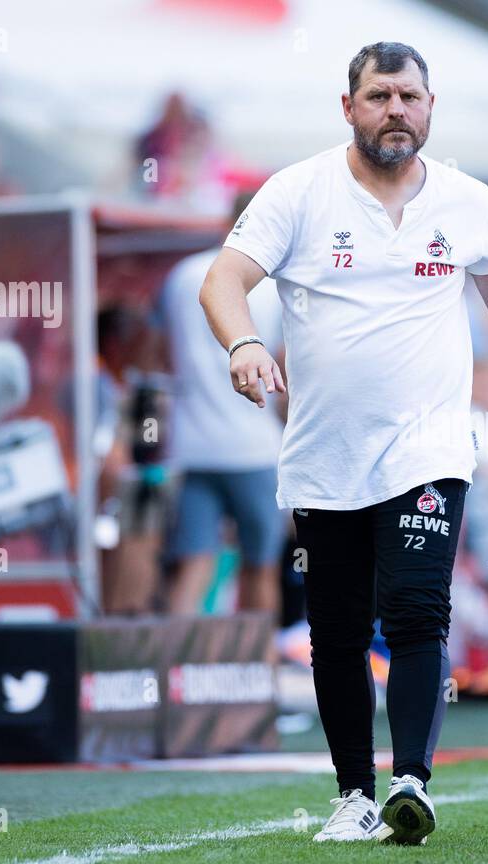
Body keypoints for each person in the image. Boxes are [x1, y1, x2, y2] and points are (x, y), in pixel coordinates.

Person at [199, 42, 488, 843]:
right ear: (349, 107)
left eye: (411, 96)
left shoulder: (466, 200)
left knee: (419, 608)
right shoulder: (298, 191)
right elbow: (222, 281)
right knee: (338, 630)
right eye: (380, 95)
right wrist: (244, 345)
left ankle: (410, 784)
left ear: (431, 108)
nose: (397, 109)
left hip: (429, 447)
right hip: (324, 456)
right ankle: (353, 794)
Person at [156, 197, 287, 618]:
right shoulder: (275, 287)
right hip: (254, 447)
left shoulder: (181, 276)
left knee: (194, 564)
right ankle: (257, 666)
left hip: (192, 445)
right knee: (261, 567)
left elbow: (158, 354)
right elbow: (287, 373)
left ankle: (174, 667)